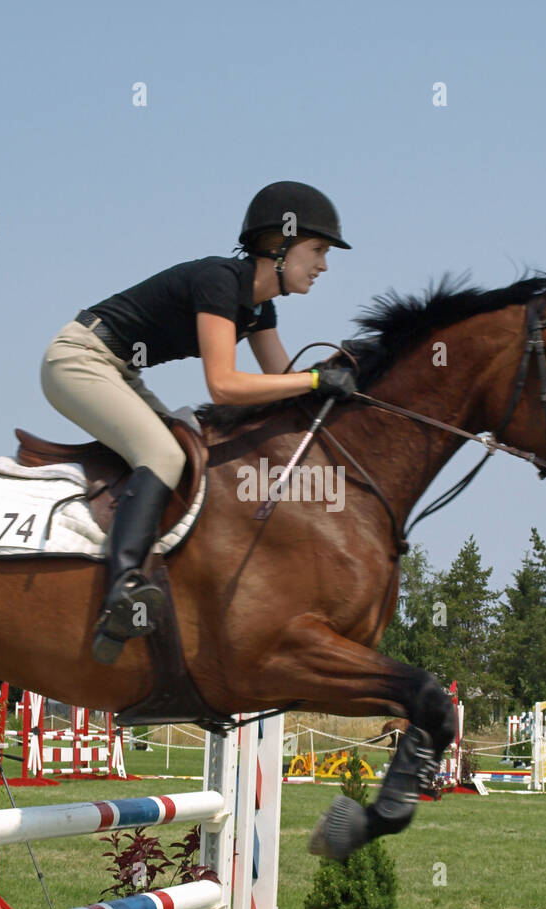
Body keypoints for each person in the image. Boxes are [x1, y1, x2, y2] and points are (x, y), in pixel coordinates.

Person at [40, 182, 357, 665]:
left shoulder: (258, 308)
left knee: (194, 454)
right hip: (78, 359)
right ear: (278, 245)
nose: (324, 265)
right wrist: (314, 381)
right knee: (164, 454)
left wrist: (343, 383)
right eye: (317, 250)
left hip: (120, 370)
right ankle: (121, 588)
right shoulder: (220, 282)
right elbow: (224, 386)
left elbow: (281, 382)